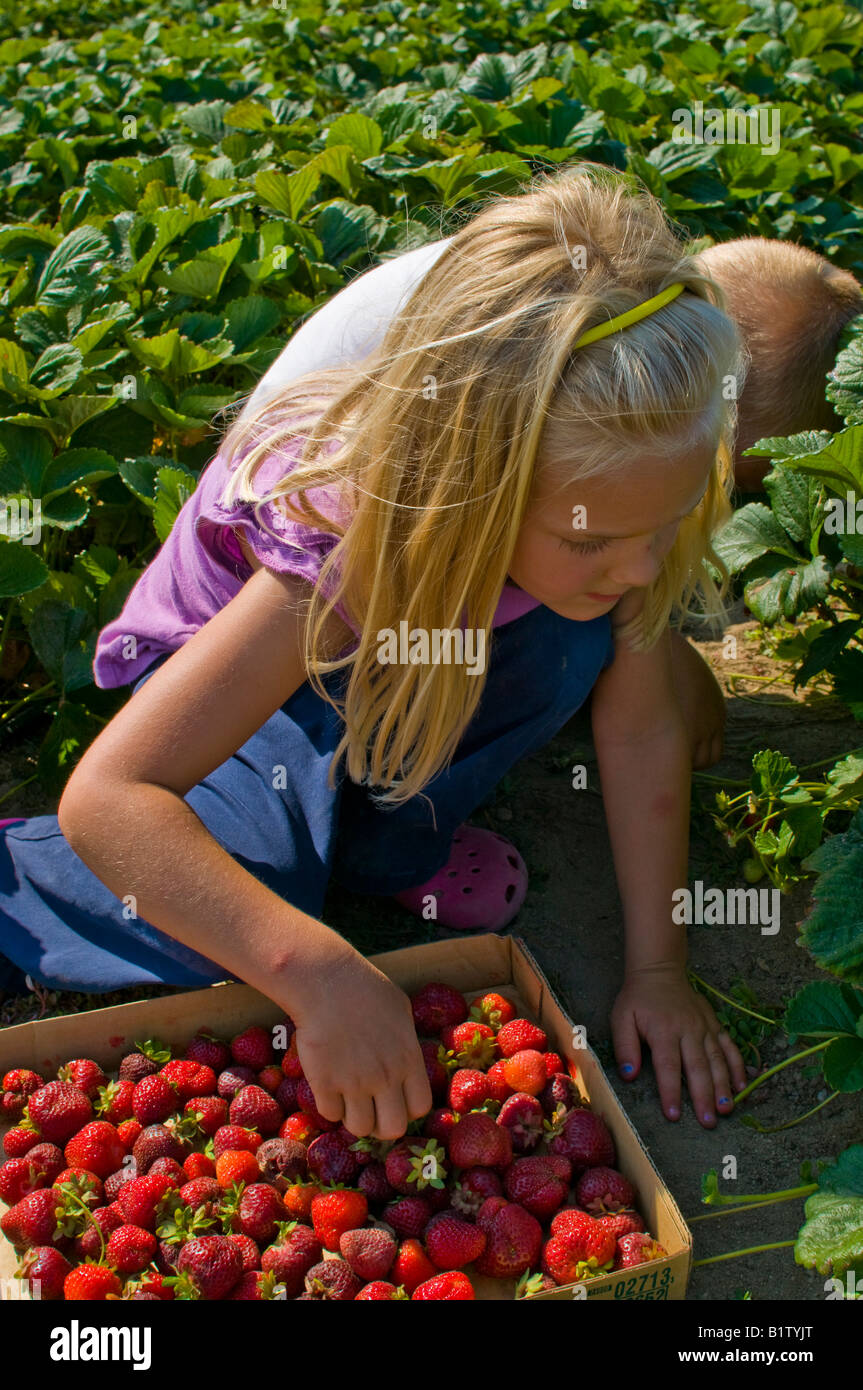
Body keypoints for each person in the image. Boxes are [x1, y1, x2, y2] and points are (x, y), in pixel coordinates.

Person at [0, 163, 749, 1136]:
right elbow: (113, 798)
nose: (642, 570)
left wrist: (658, 972)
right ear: (475, 489)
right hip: (256, 688)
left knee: (586, 646)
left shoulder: (611, 502)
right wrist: (310, 969)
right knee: (226, 911)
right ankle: (30, 881)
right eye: (588, 540)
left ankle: (383, 840)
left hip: (411, 650)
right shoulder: (342, 540)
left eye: (668, 522)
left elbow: (644, 727)